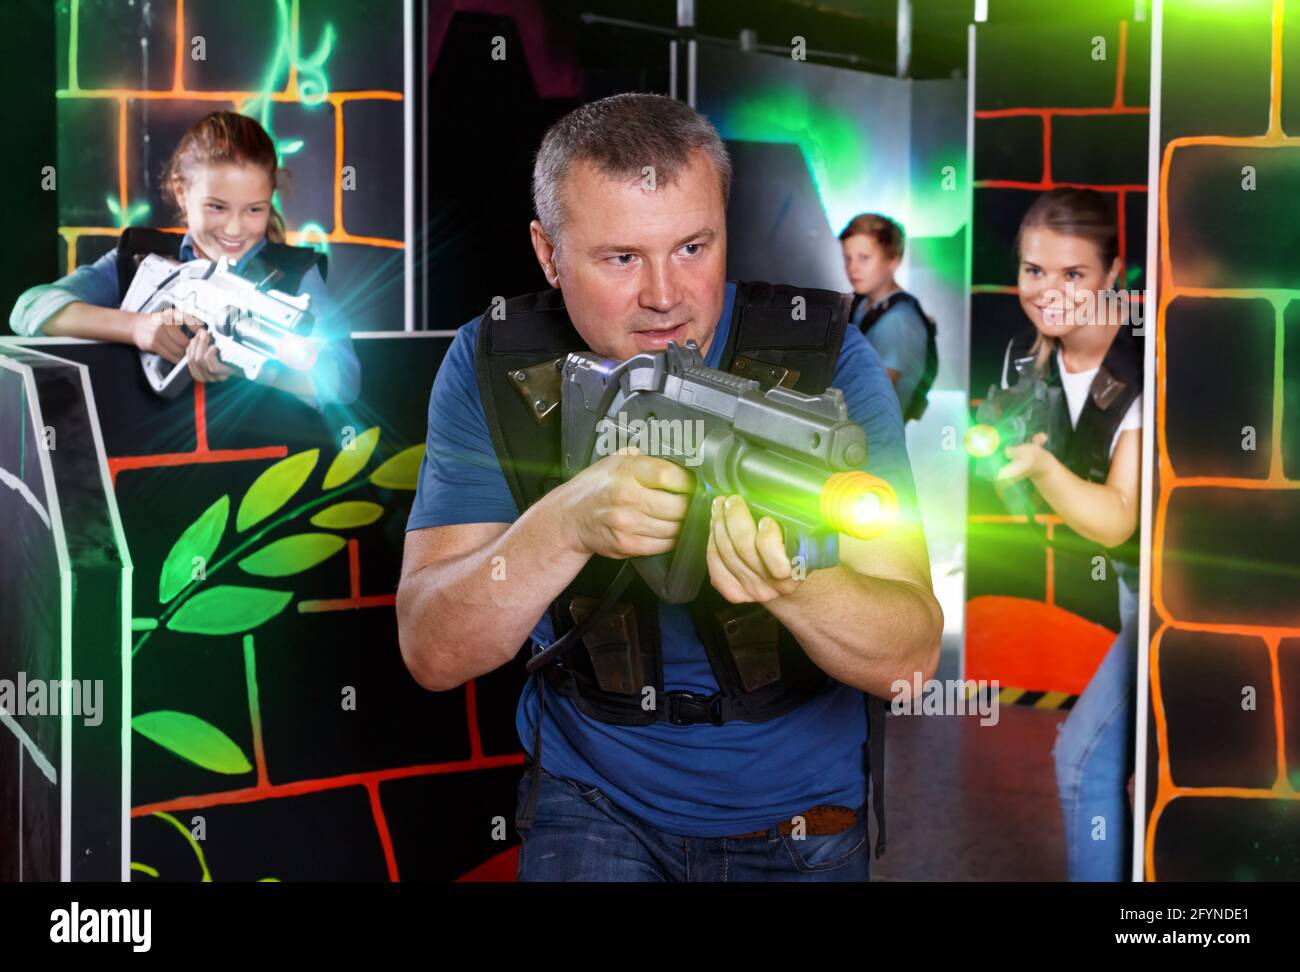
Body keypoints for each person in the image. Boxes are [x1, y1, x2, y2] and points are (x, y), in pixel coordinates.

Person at [396, 92, 942, 882]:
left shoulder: (830, 360)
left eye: (693, 247)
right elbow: (431, 651)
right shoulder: (495, 363)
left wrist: (792, 588)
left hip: (797, 822)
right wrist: (567, 526)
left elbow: (912, 659)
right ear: (548, 255)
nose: (665, 294)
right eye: (621, 258)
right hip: (594, 801)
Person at [8, 110, 359, 408]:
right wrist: (139, 328)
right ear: (181, 190)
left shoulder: (295, 274)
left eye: (255, 210)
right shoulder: (142, 260)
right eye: (216, 207)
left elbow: (343, 382)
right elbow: (28, 309)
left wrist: (249, 368)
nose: (235, 229)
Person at [994, 188, 1142, 881]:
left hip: (1172, 603)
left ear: (1114, 275)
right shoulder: (1036, 362)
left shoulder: (1145, 361)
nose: (1049, 292)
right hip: (1127, 592)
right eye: (1034, 272)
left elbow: (1118, 517)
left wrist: (1041, 469)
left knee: (1083, 759)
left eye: (1074, 275)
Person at [840, 213, 937, 421]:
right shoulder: (863, 303)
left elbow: (870, 394)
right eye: (848, 258)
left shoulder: (899, 320)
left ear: (893, 260)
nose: (852, 267)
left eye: (863, 258)